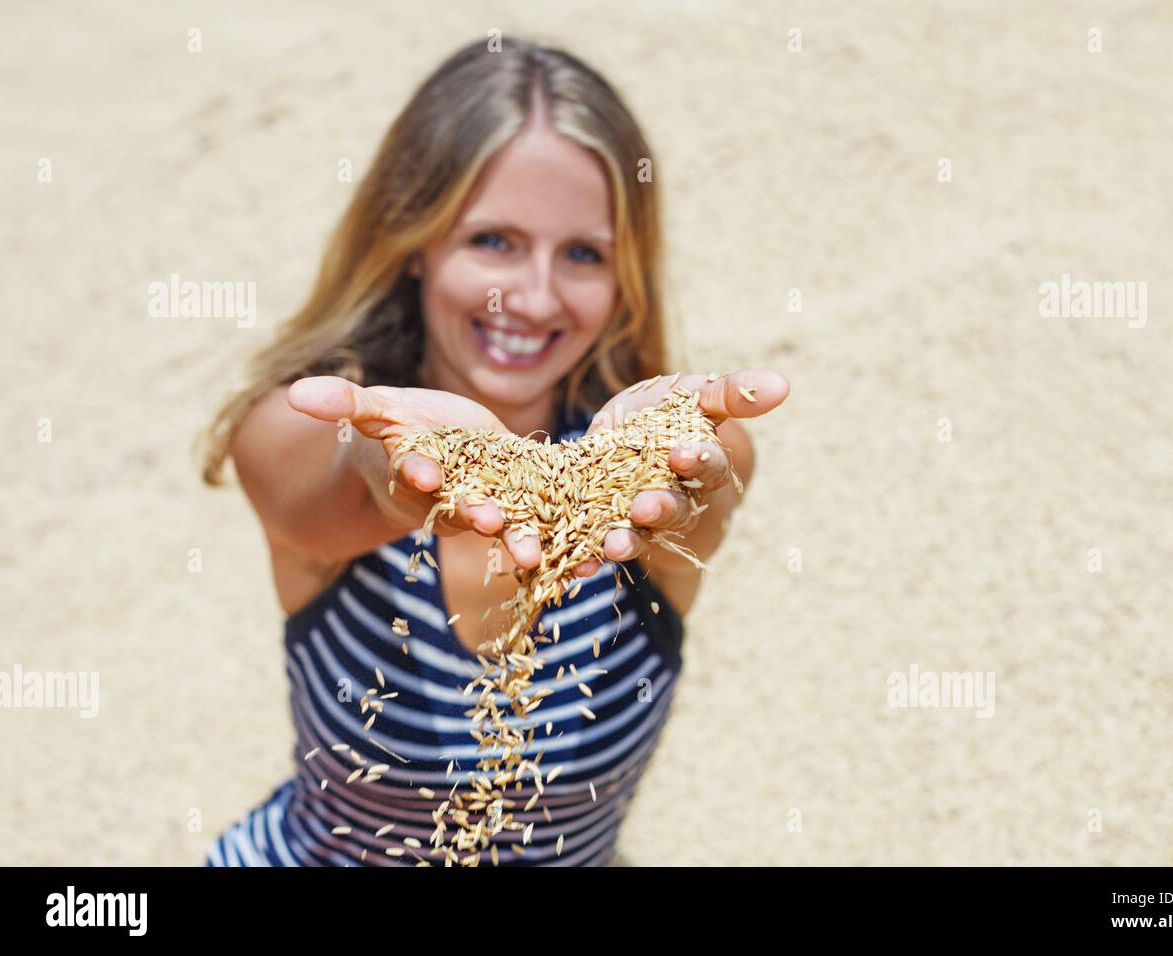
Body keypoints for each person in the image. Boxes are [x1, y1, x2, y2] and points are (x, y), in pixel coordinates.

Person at [198, 36, 788, 866]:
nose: (534, 295)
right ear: (415, 240)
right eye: (494, 241)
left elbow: (711, 489)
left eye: (583, 253)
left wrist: (683, 464)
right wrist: (388, 472)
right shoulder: (323, 427)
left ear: (626, 277)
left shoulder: (647, 469)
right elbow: (331, 483)